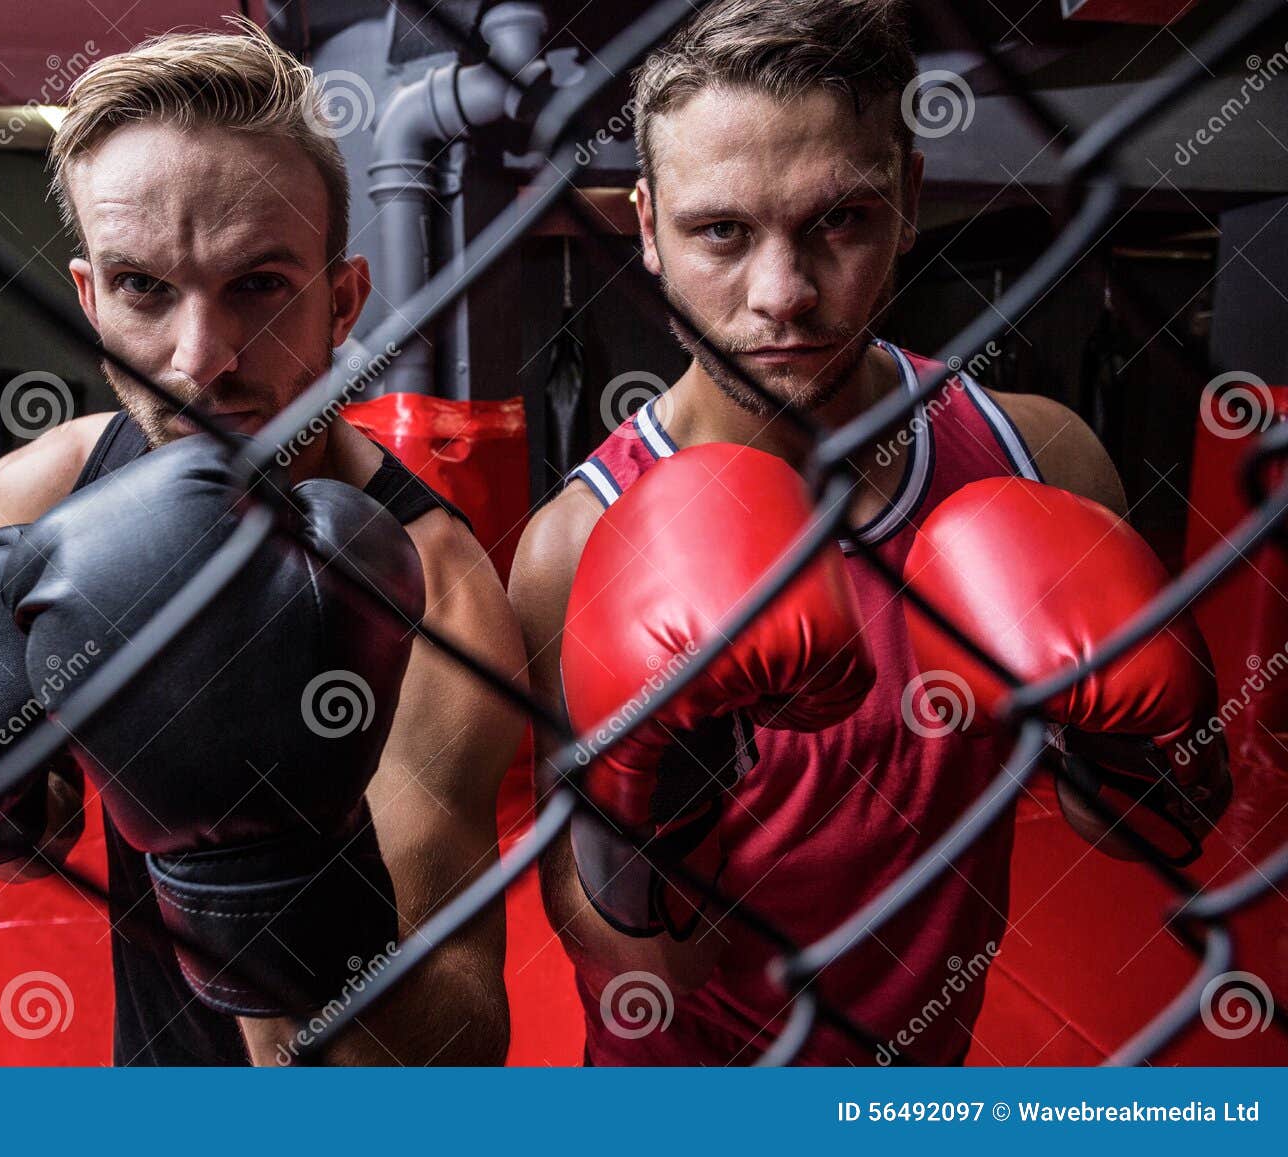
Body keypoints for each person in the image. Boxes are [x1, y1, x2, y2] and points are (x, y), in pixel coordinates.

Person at [508, 0, 1231, 1065]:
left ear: (909, 202)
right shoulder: (574, 544)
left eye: (839, 219)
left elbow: (1157, 828)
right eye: (721, 232)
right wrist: (662, 806)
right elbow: (635, 968)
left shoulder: (1041, 455)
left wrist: (1134, 751)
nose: (783, 295)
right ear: (648, 230)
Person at [0, 22, 525, 1067]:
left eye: (258, 284)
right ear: (90, 301)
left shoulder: (436, 593)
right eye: (143, 287)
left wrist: (265, 865)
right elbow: (43, 829)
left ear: (342, 301)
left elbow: (454, 1051)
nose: (200, 360)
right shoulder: (37, 495)